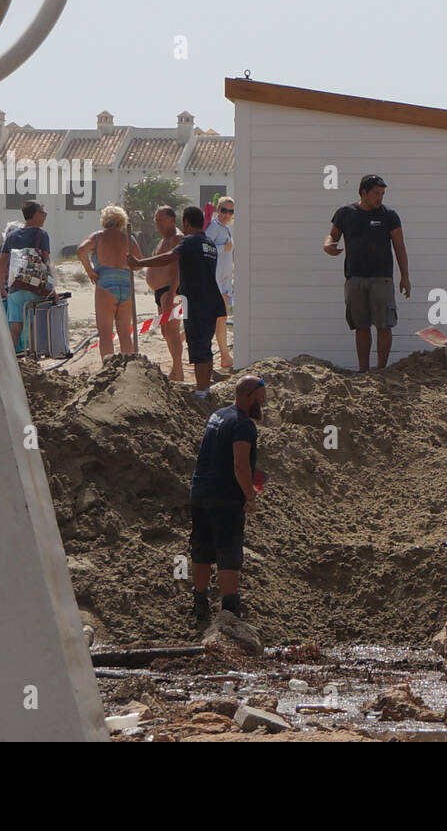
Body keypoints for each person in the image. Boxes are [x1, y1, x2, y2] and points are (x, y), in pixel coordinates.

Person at [187, 375, 267, 620]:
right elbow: (239, 464)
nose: (262, 403)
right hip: (224, 497)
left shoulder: (218, 415)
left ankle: (200, 605)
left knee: (201, 551)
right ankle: (230, 611)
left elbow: (218, 455)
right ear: (249, 396)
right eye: (261, 397)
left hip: (200, 491)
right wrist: (249, 495)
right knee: (228, 554)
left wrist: (256, 475)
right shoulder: (244, 425)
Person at [128, 206, 226, 396]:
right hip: (212, 300)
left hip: (197, 302)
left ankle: (200, 392)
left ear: (186, 223)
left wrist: (140, 263)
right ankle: (205, 389)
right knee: (205, 347)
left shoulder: (188, 241)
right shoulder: (210, 244)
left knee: (197, 348)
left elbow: (170, 258)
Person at [323, 174, 411, 370]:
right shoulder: (346, 213)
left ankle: (381, 369)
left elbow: (399, 246)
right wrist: (328, 245)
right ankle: (363, 370)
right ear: (363, 193)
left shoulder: (389, 215)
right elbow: (332, 235)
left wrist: (405, 277)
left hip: (382, 278)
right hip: (355, 278)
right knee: (361, 325)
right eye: (376, 193)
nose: (380, 197)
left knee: (384, 325)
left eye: (382, 193)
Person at [76, 206, 143, 358]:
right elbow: (139, 264)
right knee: (125, 334)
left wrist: (90, 271)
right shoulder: (129, 238)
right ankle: (129, 369)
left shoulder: (98, 236)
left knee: (106, 334)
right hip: (126, 284)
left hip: (106, 283)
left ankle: (108, 369)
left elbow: (81, 250)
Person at [0, 200, 53, 353]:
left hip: (15, 287)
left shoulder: (12, 236)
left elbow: (2, 263)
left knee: (15, 326)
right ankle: (33, 362)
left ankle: (13, 361)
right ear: (34, 215)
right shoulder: (42, 235)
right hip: (35, 287)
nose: (45, 216)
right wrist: (51, 289)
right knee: (34, 325)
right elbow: (46, 263)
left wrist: (1, 286)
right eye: (43, 213)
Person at [147, 206, 185, 382]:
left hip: (172, 289)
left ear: (171, 219)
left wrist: (172, 292)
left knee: (172, 330)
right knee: (165, 331)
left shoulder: (177, 238)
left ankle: (179, 370)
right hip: (160, 290)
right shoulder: (163, 240)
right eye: (156, 219)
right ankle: (176, 368)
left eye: (160, 219)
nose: (157, 223)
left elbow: (179, 266)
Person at [204, 196, 235, 369]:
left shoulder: (225, 228)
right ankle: (225, 356)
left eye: (230, 211)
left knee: (219, 319)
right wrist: (224, 248)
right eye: (224, 210)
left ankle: (225, 356)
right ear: (218, 210)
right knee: (217, 319)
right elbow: (205, 247)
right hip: (215, 281)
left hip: (224, 282)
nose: (227, 214)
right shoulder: (215, 227)